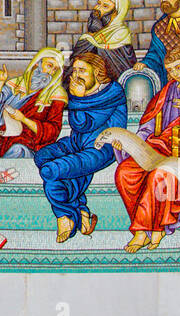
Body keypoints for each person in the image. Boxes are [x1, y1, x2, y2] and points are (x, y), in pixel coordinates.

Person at [98, 47, 180, 253]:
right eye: (171, 70)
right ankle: (144, 229)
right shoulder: (168, 91)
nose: (176, 73)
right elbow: (149, 125)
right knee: (125, 172)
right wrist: (131, 145)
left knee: (160, 176)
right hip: (162, 149)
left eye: (179, 67)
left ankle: (149, 229)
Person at [33, 52, 127, 243]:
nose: (76, 76)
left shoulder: (112, 92)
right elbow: (76, 125)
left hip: (101, 148)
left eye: (82, 71)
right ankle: (81, 210)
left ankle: (65, 216)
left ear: (98, 73)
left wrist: (77, 98)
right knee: (42, 157)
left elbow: (86, 124)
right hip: (77, 143)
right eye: (74, 70)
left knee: (51, 170)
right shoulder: (82, 92)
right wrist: (77, 98)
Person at [0, 48, 67, 157]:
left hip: (29, 144)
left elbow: (52, 130)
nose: (50, 72)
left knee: (17, 150)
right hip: (1, 135)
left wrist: (23, 119)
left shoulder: (56, 94)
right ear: (37, 63)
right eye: (49, 65)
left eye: (55, 69)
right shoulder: (17, 83)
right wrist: (0, 81)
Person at [70, 0, 137, 81]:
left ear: (117, 13)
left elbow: (120, 68)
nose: (97, 9)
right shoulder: (92, 36)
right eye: (98, 3)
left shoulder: (120, 34)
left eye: (105, 6)